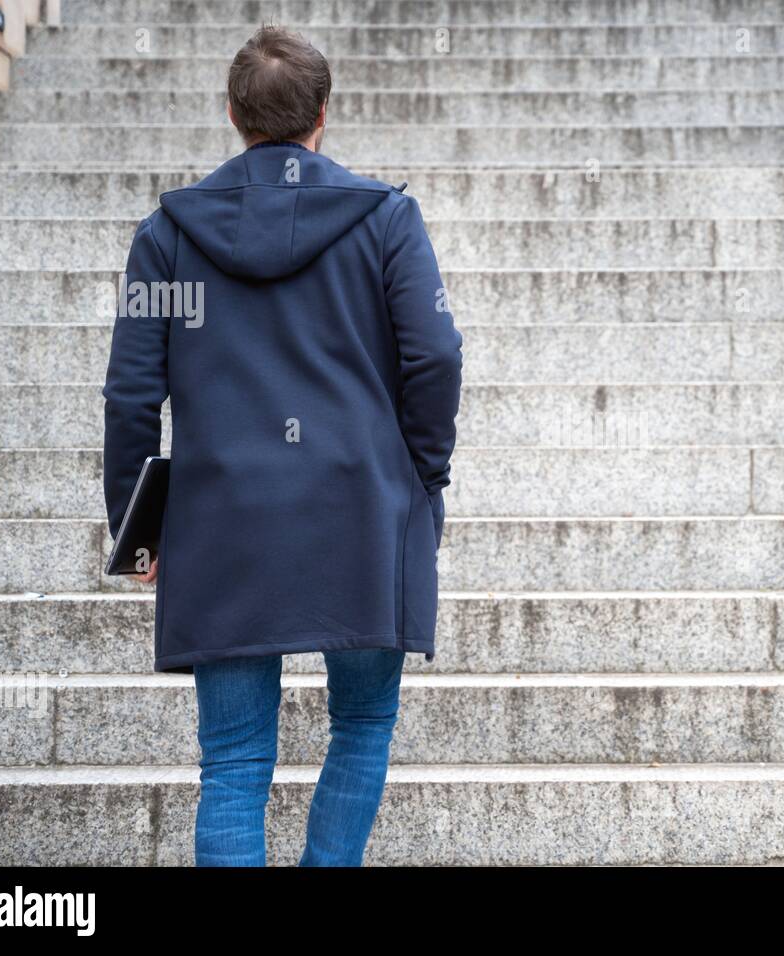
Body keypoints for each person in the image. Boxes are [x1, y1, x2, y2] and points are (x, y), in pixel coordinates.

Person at [101, 25, 463, 866]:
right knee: (364, 724)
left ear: (232, 114)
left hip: (223, 520)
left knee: (232, 764)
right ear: (323, 116)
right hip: (364, 507)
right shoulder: (387, 220)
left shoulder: (168, 239)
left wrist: (139, 525)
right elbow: (437, 354)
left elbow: (129, 396)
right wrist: (423, 475)